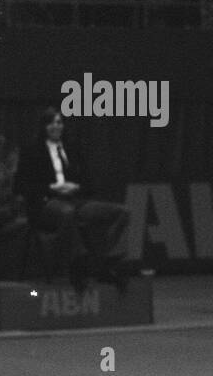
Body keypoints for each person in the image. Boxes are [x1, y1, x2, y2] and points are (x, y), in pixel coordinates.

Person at [16, 107, 131, 292]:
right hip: (46, 204)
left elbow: (89, 184)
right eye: (51, 122)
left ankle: (105, 261)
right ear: (43, 127)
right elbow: (21, 186)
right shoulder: (32, 151)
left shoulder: (72, 149)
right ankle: (79, 264)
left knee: (121, 212)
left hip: (75, 201)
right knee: (66, 213)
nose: (56, 126)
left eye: (59, 122)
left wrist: (75, 187)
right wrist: (51, 187)